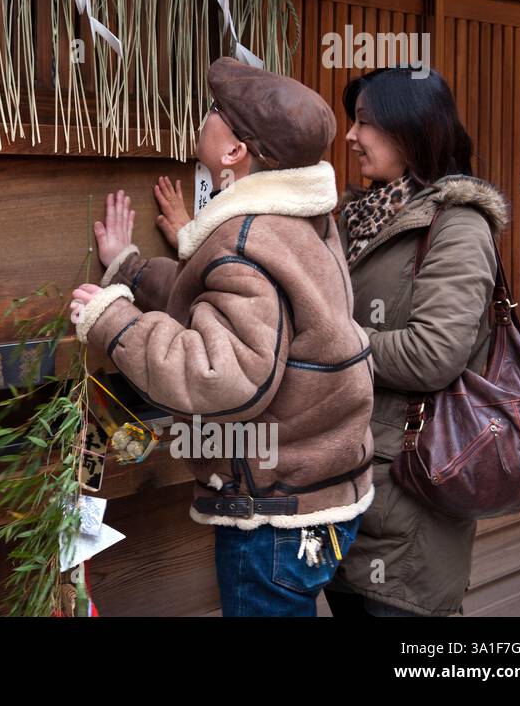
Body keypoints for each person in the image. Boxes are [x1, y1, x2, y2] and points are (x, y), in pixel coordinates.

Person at [69, 56, 375, 617]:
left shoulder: (246, 237)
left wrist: (115, 323)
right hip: (325, 493)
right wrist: (132, 270)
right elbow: (215, 299)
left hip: (271, 516)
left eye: (216, 112)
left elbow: (223, 373)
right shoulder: (303, 221)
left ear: (235, 152)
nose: (204, 118)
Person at [318, 67, 508, 617]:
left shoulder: (458, 226)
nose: (350, 137)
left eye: (365, 123)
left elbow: (434, 355)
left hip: (410, 498)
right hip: (351, 492)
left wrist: (333, 342)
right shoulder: (363, 218)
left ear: (410, 129)